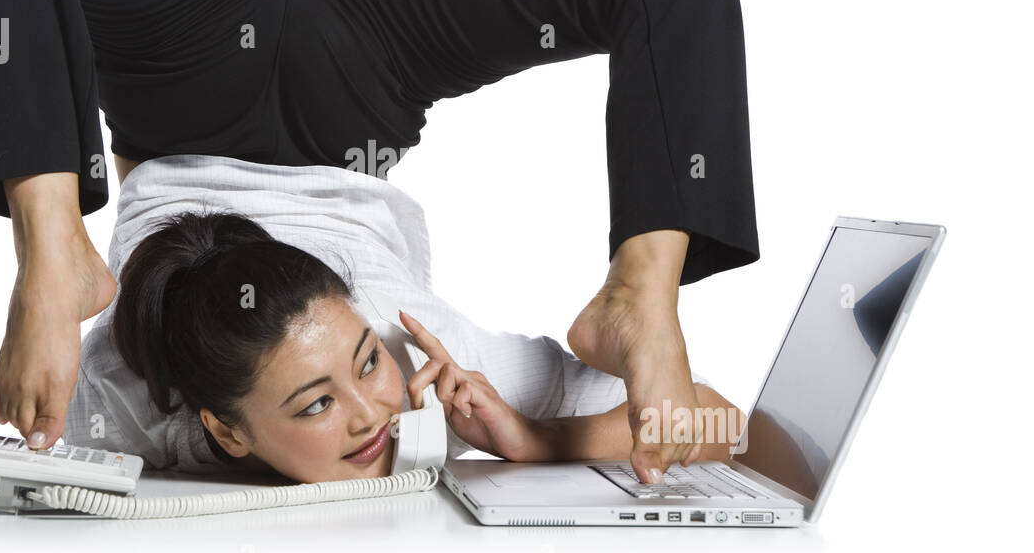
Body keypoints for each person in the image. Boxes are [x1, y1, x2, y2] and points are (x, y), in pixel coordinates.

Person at [0, 0, 760, 485]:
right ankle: (640, 299)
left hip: (191, 67)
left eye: (347, 379)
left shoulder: (112, 403)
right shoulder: (423, 377)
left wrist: (43, 256)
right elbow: (709, 420)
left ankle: (639, 299)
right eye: (327, 394)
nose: (376, 410)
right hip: (359, 78)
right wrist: (530, 440)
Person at [61, 157, 743, 484]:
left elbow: (718, 421)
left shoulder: (421, 359)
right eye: (317, 403)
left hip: (328, 158)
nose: (374, 415)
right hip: (161, 163)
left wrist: (532, 437)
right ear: (225, 431)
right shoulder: (110, 408)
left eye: (364, 363)